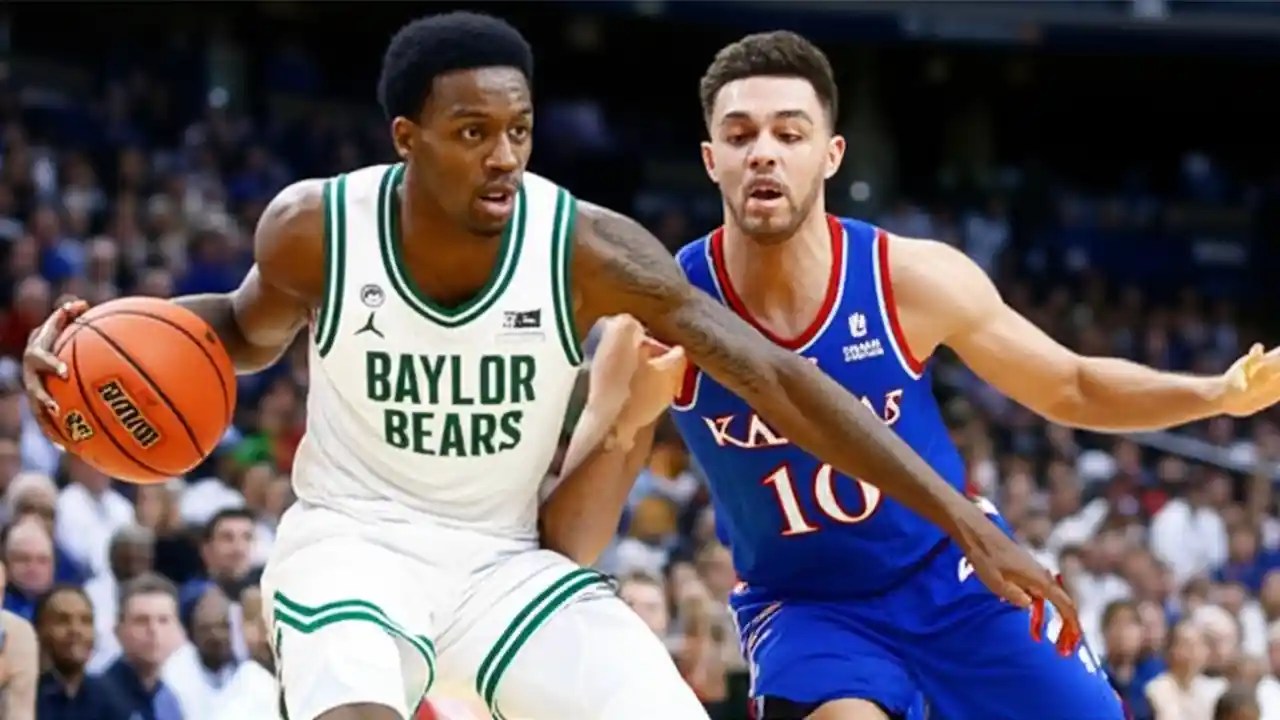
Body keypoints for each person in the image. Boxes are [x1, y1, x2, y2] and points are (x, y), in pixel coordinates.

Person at [22, 12, 1072, 720]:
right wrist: (90, 349)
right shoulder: (315, 230)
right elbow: (237, 331)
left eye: (517, 129)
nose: (503, 156)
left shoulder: (587, 250)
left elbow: (781, 381)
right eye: (471, 131)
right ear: (408, 137)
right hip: (353, 544)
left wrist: (964, 520)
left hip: (503, 562)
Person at [649, 29, 1280, 720]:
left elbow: (1069, 385)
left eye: (788, 134)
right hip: (810, 607)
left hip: (955, 571)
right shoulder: (668, 308)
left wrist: (1218, 393)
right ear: (712, 160)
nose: (764, 151)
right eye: (740, 135)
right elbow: (606, 442)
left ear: (830, 156)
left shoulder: (909, 279)